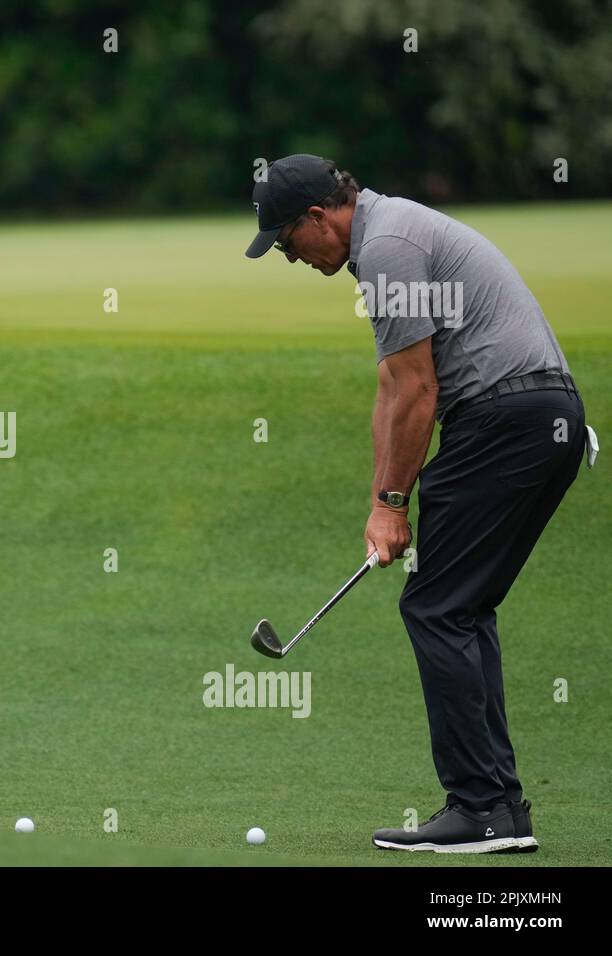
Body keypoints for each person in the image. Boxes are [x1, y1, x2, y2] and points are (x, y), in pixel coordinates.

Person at [245, 153, 591, 853]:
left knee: (436, 606)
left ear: (318, 216)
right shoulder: (390, 235)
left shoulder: (389, 248)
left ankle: (481, 810)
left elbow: (418, 391)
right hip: (533, 419)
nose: (291, 258)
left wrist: (395, 504)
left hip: (506, 419)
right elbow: (391, 385)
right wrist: (382, 502)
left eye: (287, 242)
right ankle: (500, 810)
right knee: (458, 606)